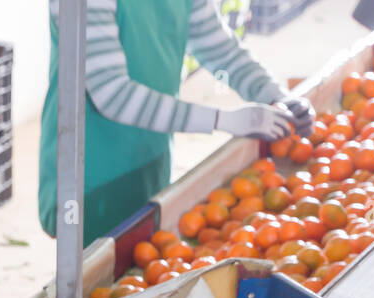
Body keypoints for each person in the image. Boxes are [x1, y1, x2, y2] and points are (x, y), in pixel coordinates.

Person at [39, 0, 317, 246]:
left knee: (142, 253)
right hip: (90, 167)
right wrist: (223, 119)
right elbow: (114, 94)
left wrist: (277, 96)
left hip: (150, 151)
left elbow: (220, 51)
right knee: (93, 281)